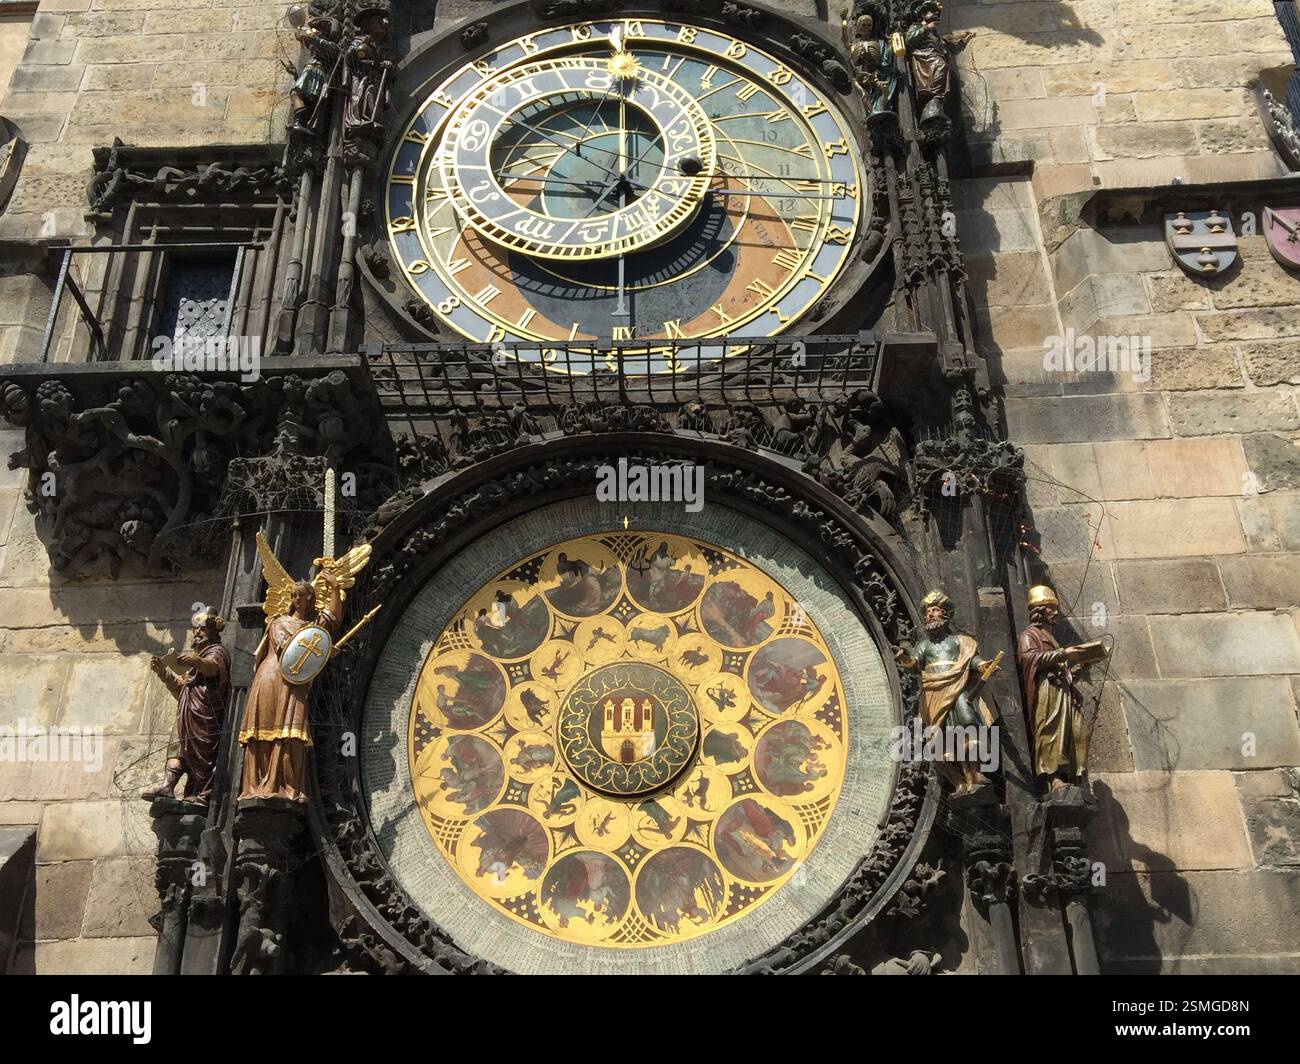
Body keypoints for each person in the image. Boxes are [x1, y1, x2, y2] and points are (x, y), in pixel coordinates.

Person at [238, 569, 341, 801]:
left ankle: (288, 786)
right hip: (272, 676)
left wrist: (334, 587)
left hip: (295, 683)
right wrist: (319, 652)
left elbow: (333, 619)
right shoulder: (279, 622)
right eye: (293, 595)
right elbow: (289, 649)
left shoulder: (314, 625)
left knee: (293, 734)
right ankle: (259, 786)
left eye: (300, 596)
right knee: (264, 731)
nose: (295, 599)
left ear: (310, 598)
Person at [143, 607, 231, 802]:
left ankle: (205, 793)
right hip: (186, 713)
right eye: (195, 629)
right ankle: (167, 787)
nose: (197, 632)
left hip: (204, 714)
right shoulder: (194, 661)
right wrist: (163, 673)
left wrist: (197, 661)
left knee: (204, 755)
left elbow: (213, 668)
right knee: (176, 745)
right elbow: (180, 690)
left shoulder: (217, 651)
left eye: (202, 628)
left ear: (213, 630)